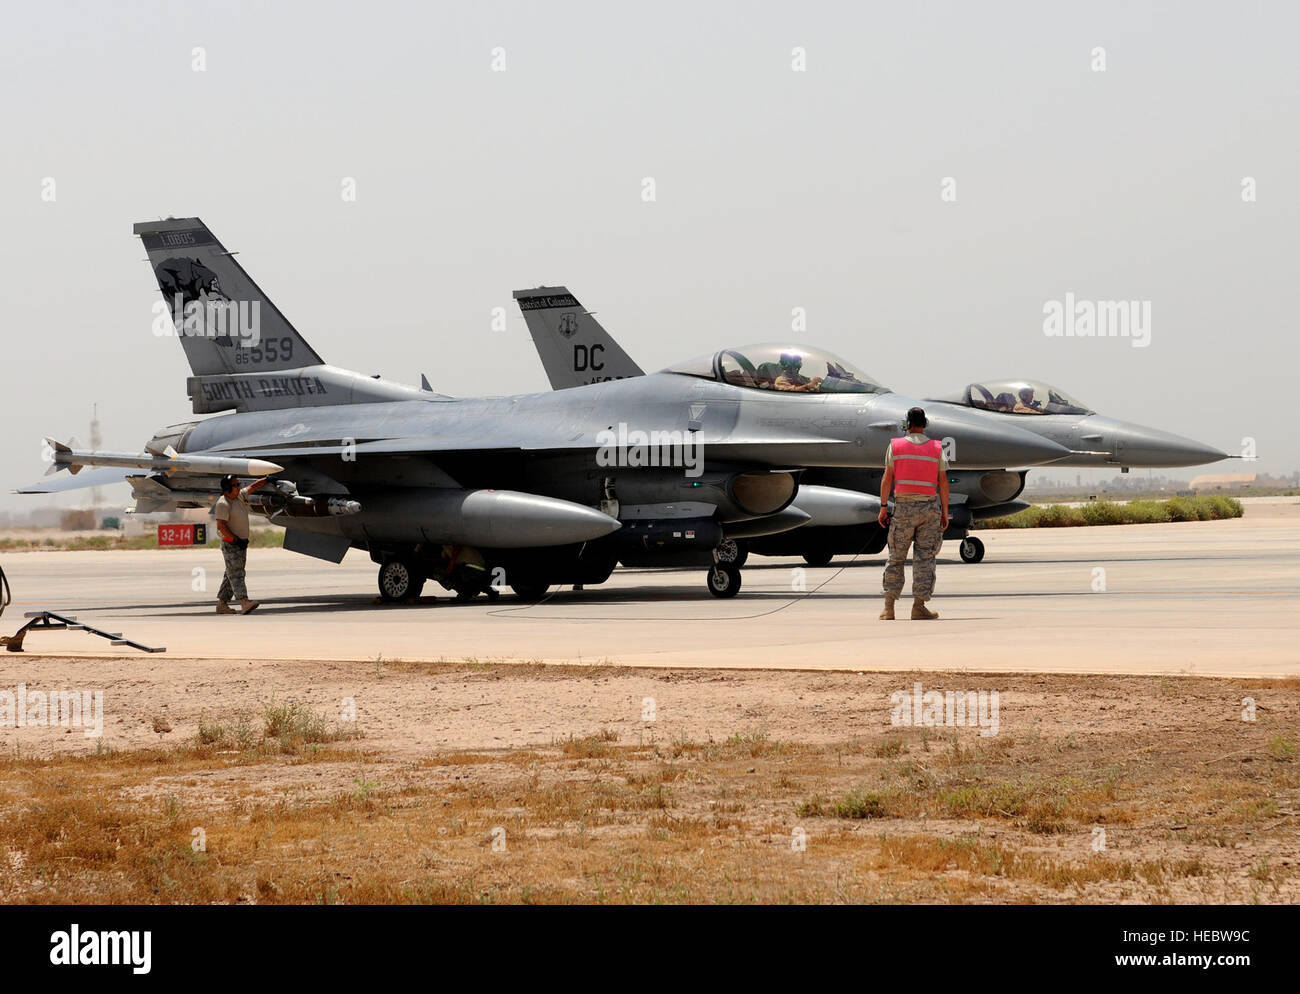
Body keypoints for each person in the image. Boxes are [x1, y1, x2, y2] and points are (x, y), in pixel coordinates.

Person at [877, 407, 950, 620]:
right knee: (925, 558)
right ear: (925, 423)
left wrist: (883, 507)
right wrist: (945, 512)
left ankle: (888, 608)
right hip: (929, 509)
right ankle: (919, 606)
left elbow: (887, 477)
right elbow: (943, 482)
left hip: (903, 508)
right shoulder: (937, 448)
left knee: (896, 557)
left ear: (907, 424)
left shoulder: (896, 446)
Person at [214, 474, 271, 614]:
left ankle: (222, 604)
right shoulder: (223, 503)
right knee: (237, 574)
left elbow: (252, 487)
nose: (239, 487)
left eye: (238, 484)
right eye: (235, 485)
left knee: (230, 573)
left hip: (241, 543)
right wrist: (235, 540)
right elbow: (221, 526)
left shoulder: (239, 496)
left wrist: (267, 480)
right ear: (227, 488)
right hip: (231, 544)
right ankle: (244, 602)